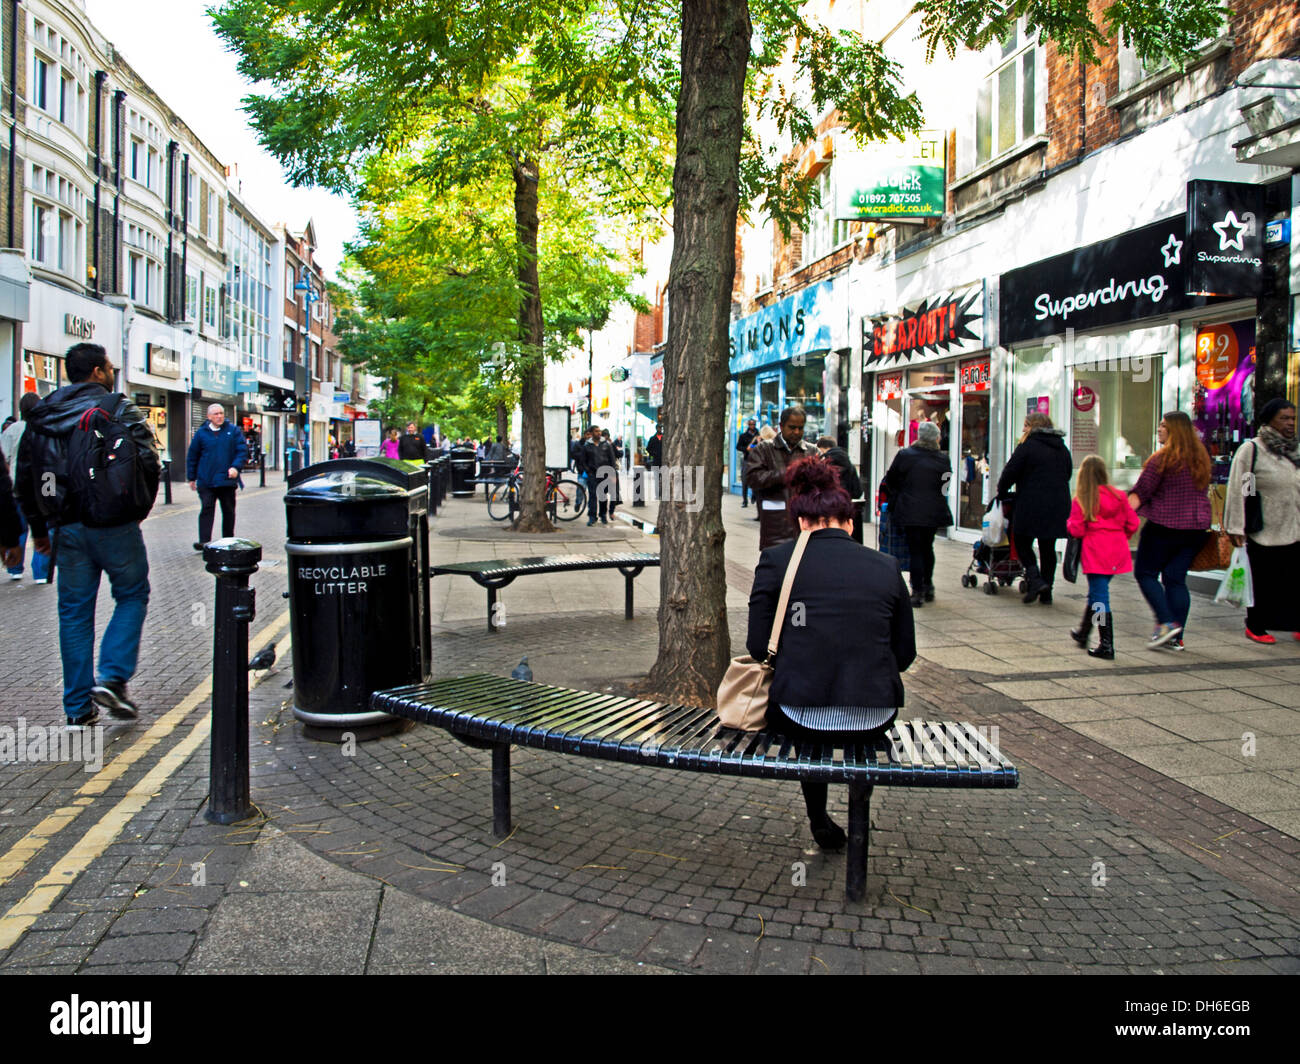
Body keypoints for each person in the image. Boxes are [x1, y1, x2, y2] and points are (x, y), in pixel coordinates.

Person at [747, 457, 915, 850]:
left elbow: (758, 647)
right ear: (851, 523)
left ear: (800, 521)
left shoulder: (776, 561)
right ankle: (859, 812)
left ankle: (818, 818)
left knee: (809, 726)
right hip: (875, 711)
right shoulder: (887, 566)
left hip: (798, 711)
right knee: (855, 730)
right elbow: (904, 653)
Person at [14, 342, 160, 727]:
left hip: (67, 526)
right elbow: (148, 460)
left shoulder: (42, 416)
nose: (111, 372)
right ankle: (112, 676)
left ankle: (78, 707)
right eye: (109, 366)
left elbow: (27, 477)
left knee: (74, 614)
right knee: (131, 594)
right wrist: (134, 511)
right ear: (97, 371)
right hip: (113, 524)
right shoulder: (115, 407)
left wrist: (40, 528)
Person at [1128, 411, 1212, 649]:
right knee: (1176, 579)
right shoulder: (1201, 458)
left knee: (1145, 573)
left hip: (1165, 526)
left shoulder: (1162, 459)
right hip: (1195, 529)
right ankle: (1176, 637)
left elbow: (1140, 493)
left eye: (1164, 426)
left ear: (1175, 430)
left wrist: (1119, 518)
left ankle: (1166, 623)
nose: (1159, 429)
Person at [1225, 398, 1300, 644]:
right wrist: (1237, 525)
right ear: (1269, 420)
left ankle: (1294, 623)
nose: (1290, 423)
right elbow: (1240, 489)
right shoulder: (1253, 450)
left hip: (1294, 526)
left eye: (1292, 418)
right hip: (1264, 529)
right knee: (1264, 581)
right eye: (1284, 418)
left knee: (1293, 580)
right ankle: (1256, 625)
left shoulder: (1295, 450)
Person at [1066, 455, 1139, 659]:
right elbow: (1133, 523)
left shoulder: (1082, 500)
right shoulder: (1118, 496)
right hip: (1117, 551)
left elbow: (1077, 529)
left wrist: (1070, 525)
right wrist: (1119, 536)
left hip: (1096, 551)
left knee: (1100, 600)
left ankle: (1106, 643)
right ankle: (1083, 632)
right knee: (1097, 593)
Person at [997, 411, 1072, 604]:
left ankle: (1036, 580)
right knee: (1048, 547)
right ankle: (1045, 591)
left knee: (1022, 542)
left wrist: (1002, 492)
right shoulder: (1061, 448)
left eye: (1026, 425)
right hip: (1057, 504)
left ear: (1034, 427)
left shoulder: (1028, 446)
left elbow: (1010, 472)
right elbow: (1068, 473)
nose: (1023, 429)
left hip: (1031, 503)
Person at [882, 420, 952, 607]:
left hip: (910, 509)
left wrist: (899, 494)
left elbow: (890, 479)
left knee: (915, 550)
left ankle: (918, 590)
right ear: (935, 438)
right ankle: (928, 585)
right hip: (933, 510)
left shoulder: (905, 455)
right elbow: (946, 485)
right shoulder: (943, 458)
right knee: (927, 547)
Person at [743, 406, 818, 549]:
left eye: (800, 428)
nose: (797, 432)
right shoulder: (764, 449)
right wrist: (787, 473)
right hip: (775, 530)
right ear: (781, 426)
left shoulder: (812, 451)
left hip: (806, 529)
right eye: (792, 427)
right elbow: (753, 478)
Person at [2, 393, 51, 583]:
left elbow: (4, 459)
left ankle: (15, 568)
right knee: (44, 530)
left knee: (19, 528)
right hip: (42, 489)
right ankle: (40, 573)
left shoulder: (12, 430)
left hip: (17, 488)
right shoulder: (45, 429)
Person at [187, 403, 247, 551]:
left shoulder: (233, 431)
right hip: (206, 480)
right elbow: (193, 456)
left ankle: (228, 540)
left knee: (228, 510)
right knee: (207, 508)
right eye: (216, 414)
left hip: (226, 480)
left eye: (221, 413)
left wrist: (235, 467)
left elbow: (242, 451)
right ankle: (204, 541)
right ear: (209, 417)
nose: (219, 416)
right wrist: (191, 477)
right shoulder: (201, 433)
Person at [815, 435, 861, 500]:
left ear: (822, 448)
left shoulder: (824, 464)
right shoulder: (850, 465)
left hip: (826, 504)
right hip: (844, 504)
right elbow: (857, 492)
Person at [736, 419, 759, 507]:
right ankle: (745, 500)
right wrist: (746, 449)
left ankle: (754, 495)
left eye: (753, 424)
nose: (752, 426)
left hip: (757, 460)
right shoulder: (743, 436)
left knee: (756, 479)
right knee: (745, 480)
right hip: (747, 459)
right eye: (750, 424)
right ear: (748, 425)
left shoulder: (759, 435)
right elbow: (738, 447)